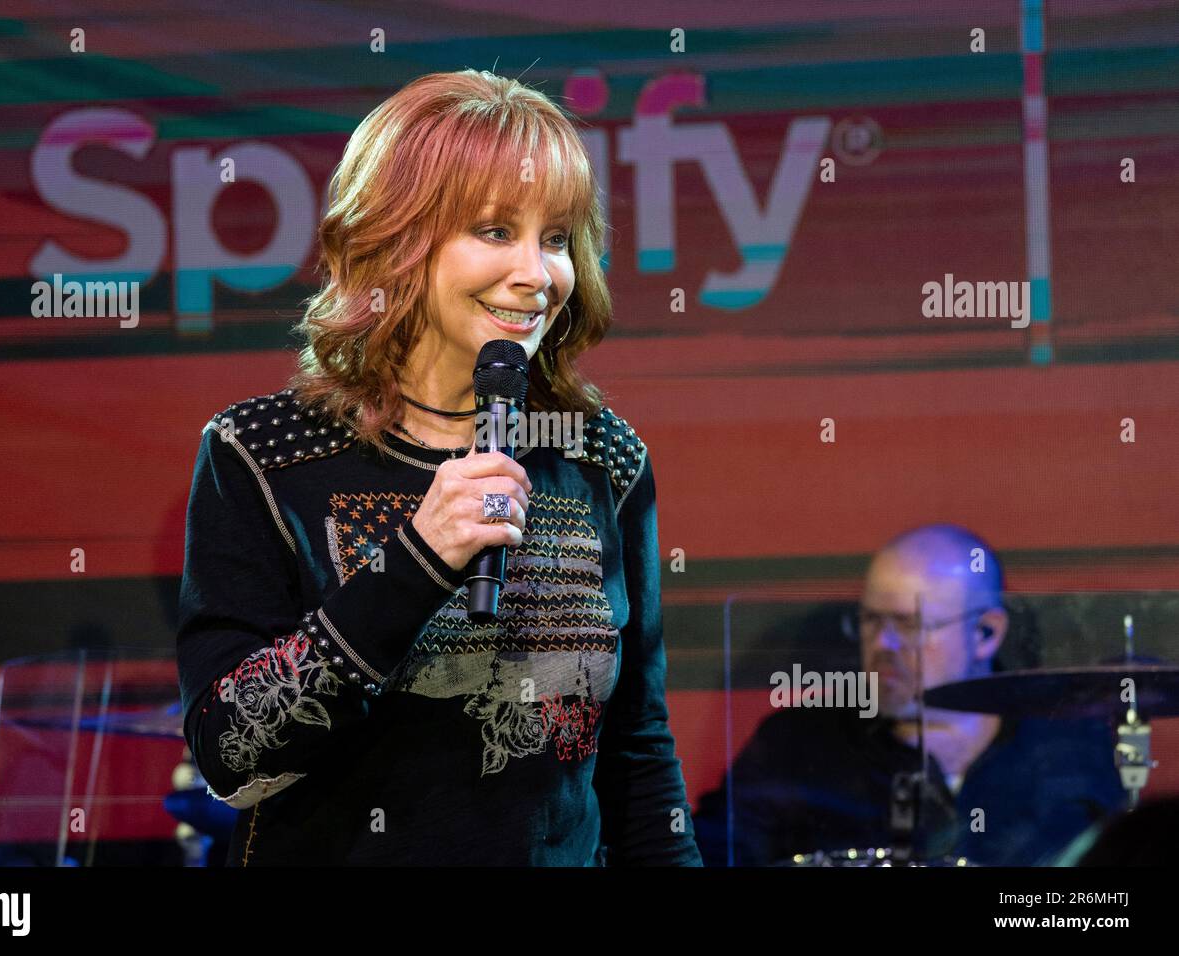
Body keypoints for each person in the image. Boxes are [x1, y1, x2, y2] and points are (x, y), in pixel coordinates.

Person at [175, 69, 702, 866]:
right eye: (495, 231)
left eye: (556, 238)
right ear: (398, 238)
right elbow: (231, 754)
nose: (537, 273)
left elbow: (637, 752)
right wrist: (418, 560)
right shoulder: (264, 453)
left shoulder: (600, 457)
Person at [693, 524, 1125, 866]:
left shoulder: (1066, 744)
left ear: (986, 634)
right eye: (870, 621)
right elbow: (706, 854)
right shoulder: (797, 742)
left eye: (908, 625)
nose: (884, 645)